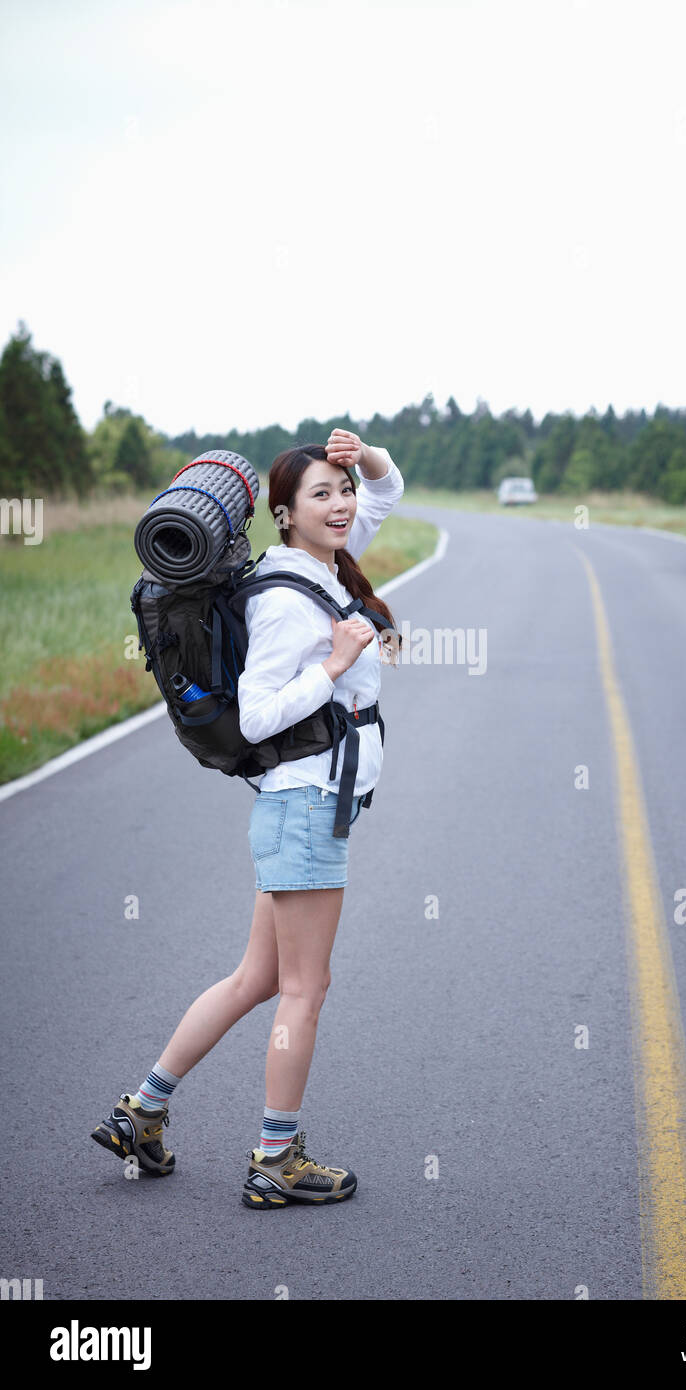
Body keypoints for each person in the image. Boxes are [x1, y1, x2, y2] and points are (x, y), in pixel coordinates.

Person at [91, 428, 404, 1208]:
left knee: (257, 978)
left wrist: (362, 456)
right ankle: (276, 1156)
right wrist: (332, 665)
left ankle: (143, 1110)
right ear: (284, 514)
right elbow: (260, 715)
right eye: (322, 494)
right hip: (302, 807)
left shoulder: (322, 566)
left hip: (300, 808)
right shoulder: (285, 600)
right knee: (306, 988)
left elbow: (388, 492)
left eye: (344, 493)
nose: (343, 505)